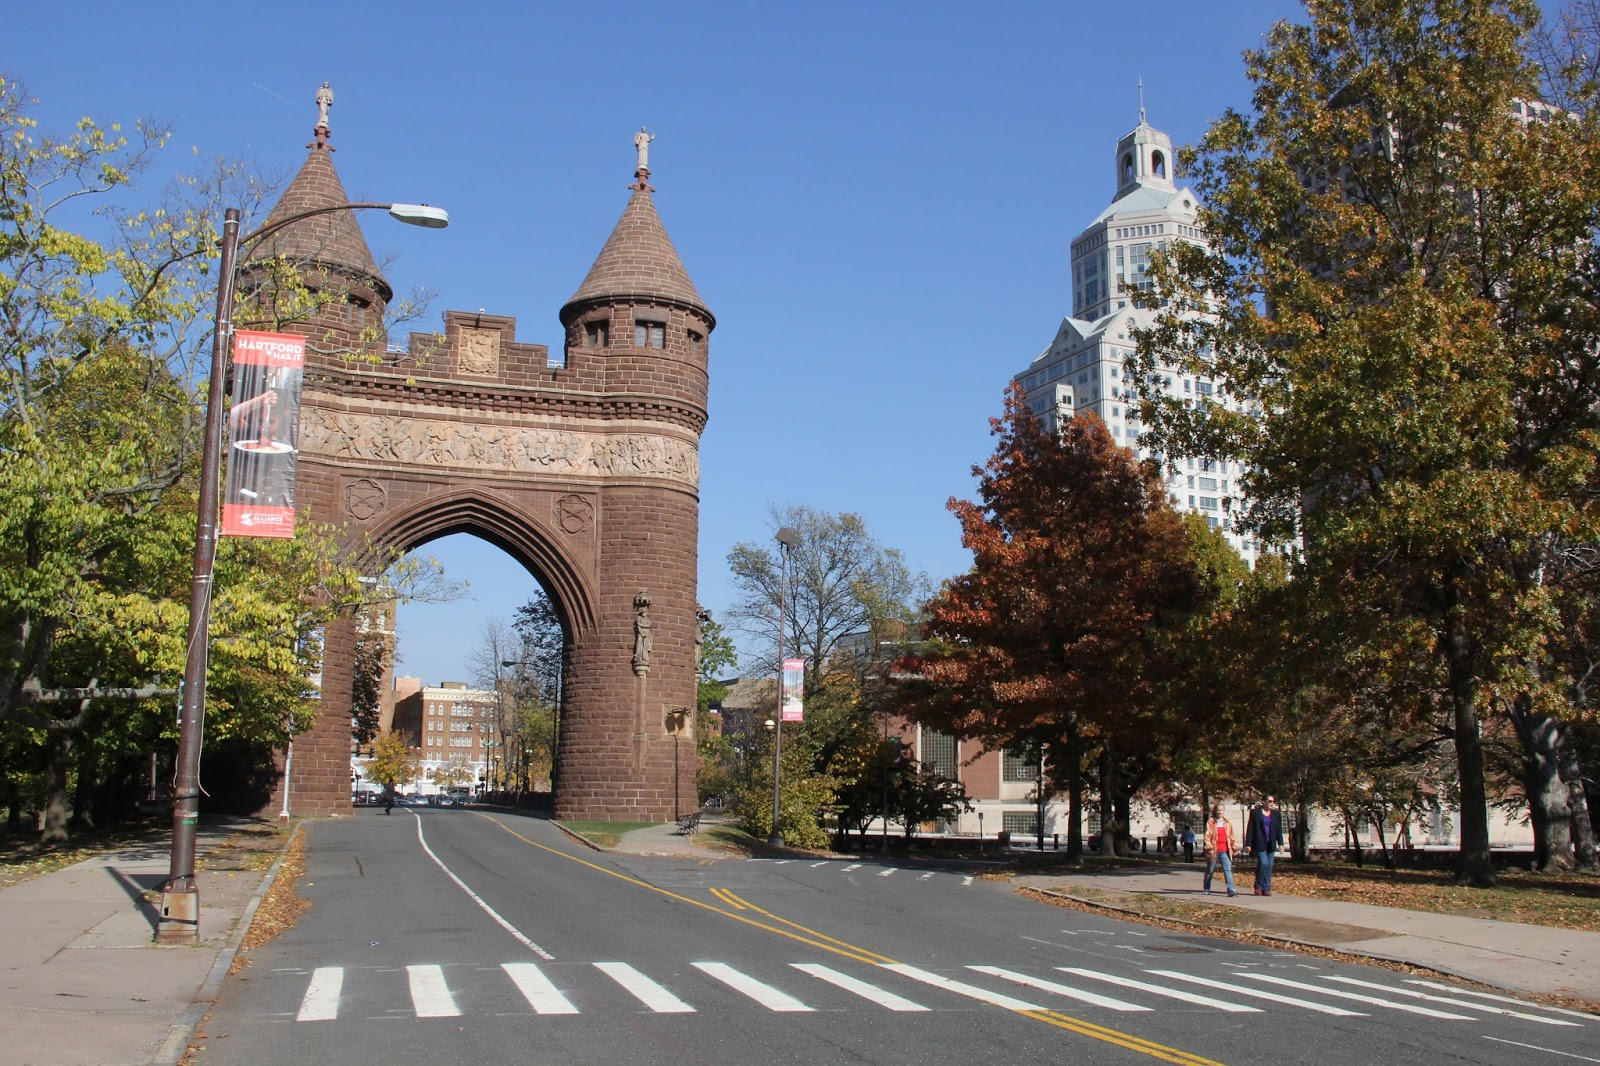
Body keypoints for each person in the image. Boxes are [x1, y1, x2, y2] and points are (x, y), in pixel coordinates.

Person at [1245, 794, 1285, 895]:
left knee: (1269, 866)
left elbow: (1278, 830)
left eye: (1273, 801)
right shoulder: (1255, 813)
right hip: (1259, 843)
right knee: (1263, 863)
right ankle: (1258, 886)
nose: (1272, 803)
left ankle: (1266, 888)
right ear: (1264, 802)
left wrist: (1281, 843)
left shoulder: (1276, 814)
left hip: (1270, 843)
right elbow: (1250, 829)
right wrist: (1248, 844)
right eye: (1270, 801)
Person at [1202, 805, 1237, 896]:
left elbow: (1231, 836)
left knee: (1227, 870)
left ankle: (1231, 889)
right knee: (1210, 870)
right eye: (1218, 810)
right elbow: (1207, 836)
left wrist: (1234, 847)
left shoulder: (1227, 823)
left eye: (1221, 810)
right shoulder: (1211, 822)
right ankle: (1206, 888)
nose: (1220, 812)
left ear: (1224, 811)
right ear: (1215, 811)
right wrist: (1209, 847)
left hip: (1225, 850)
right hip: (1214, 850)